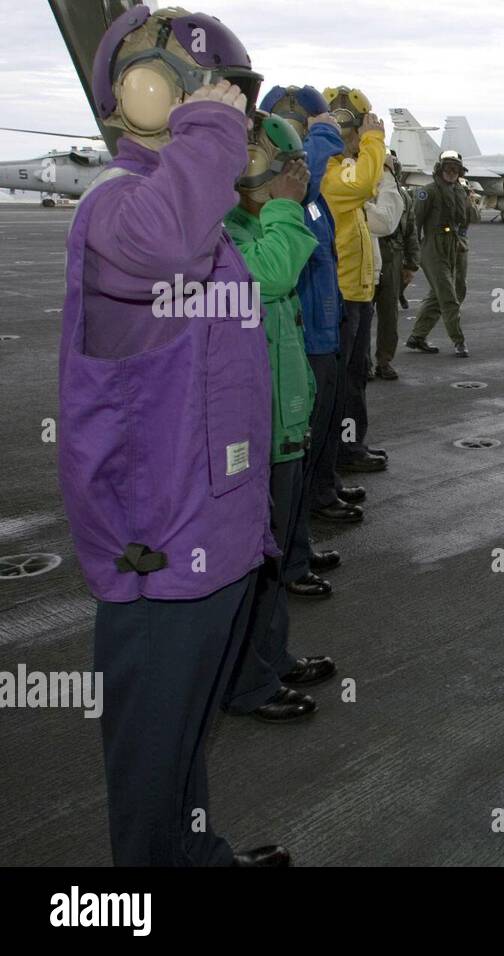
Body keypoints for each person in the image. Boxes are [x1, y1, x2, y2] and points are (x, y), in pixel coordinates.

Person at [62, 5, 287, 866]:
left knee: (186, 739)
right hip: (160, 553)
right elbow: (164, 245)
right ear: (148, 93)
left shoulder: (203, 225)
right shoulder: (119, 213)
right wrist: (208, 132)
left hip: (216, 536)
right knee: (154, 769)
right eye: (214, 94)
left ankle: (199, 859)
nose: (230, 112)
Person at [222, 111, 337, 723]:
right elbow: (270, 274)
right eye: (289, 169)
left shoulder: (261, 222)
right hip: (252, 428)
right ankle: (247, 682)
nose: (298, 179)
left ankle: (272, 659)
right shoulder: (230, 234)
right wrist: (287, 206)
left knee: (271, 556)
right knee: (252, 562)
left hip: (281, 423)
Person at [261, 84, 358, 589]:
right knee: (288, 469)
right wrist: (322, 127)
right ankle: (287, 564)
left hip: (321, 334)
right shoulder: (286, 193)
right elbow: (312, 176)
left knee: (306, 457)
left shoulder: (308, 199)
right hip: (303, 343)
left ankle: (298, 548)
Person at [321, 86, 387, 473]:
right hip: (341, 293)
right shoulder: (331, 174)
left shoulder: (337, 169)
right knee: (344, 380)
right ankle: (342, 452)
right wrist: (374, 139)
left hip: (356, 291)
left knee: (355, 375)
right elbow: (365, 182)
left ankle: (351, 445)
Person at [407, 149, 478, 357]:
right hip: (433, 247)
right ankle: (458, 341)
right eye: (448, 168)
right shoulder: (427, 192)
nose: (451, 172)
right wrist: (412, 253)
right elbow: (415, 223)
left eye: (455, 169)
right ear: (440, 169)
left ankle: (417, 337)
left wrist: (469, 199)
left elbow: (473, 218)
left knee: (456, 290)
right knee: (447, 296)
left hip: (457, 246)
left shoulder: (460, 191)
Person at [367, 152, 414, 380]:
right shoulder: (364, 193)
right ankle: (363, 361)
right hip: (368, 255)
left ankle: (384, 361)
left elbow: (411, 232)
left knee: (389, 315)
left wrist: (411, 265)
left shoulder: (402, 197)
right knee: (363, 313)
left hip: (392, 258)